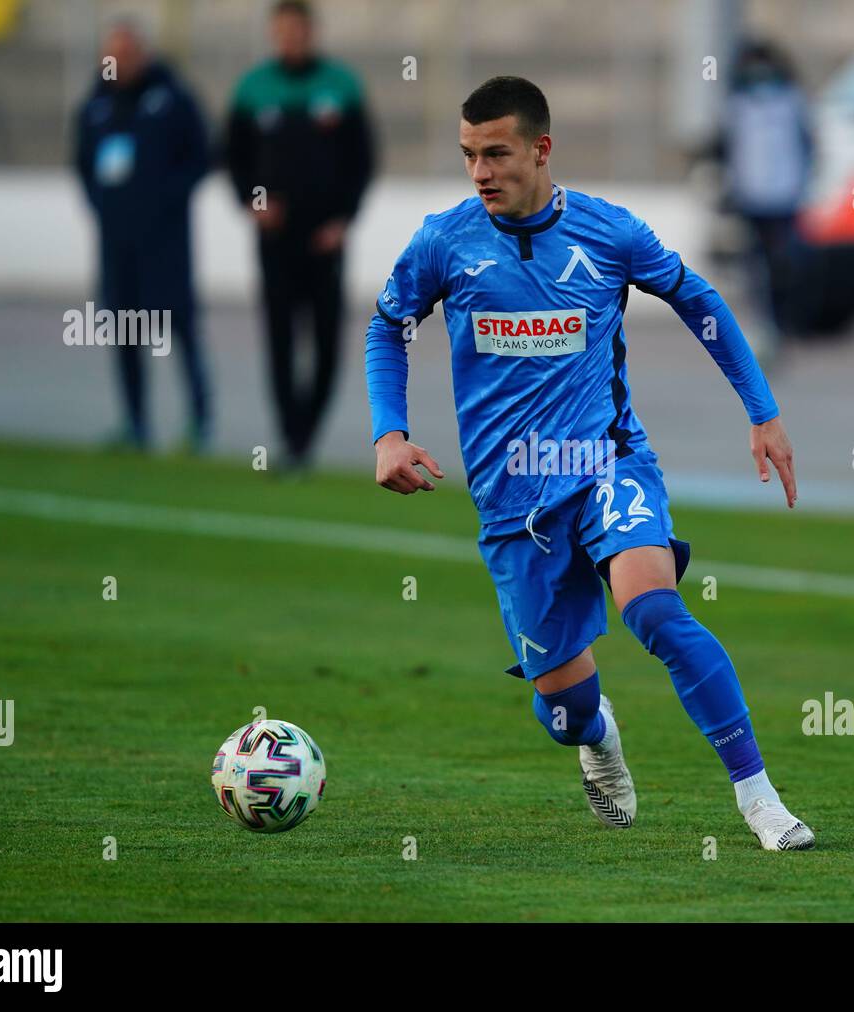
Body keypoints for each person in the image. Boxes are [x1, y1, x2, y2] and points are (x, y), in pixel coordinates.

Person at [365, 77, 813, 851]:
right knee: (563, 715)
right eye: (469, 155)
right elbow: (387, 325)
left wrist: (763, 411)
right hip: (513, 505)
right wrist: (388, 434)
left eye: (497, 153)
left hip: (607, 465)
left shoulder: (608, 232)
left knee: (657, 614)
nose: (480, 172)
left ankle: (760, 798)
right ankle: (599, 733)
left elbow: (698, 299)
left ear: (540, 150)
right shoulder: (444, 241)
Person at [225, 0, 376, 472]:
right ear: (274, 33)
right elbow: (232, 157)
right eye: (283, 30)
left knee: (329, 341)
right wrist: (253, 201)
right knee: (279, 339)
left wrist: (343, 219)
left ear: (311, 32)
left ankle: (306, 432)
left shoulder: (341, 86)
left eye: (299, 30)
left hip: (324, 239)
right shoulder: (254, 88)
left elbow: (362, 160)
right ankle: (290, 437)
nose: (291, 38)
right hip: (275, 239)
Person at [74, 18, 211, 452]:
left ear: (144, 54)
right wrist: (103, 206)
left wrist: (165, 199)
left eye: (128, 53)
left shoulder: (171, 99)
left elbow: (203, 155)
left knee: (181, 330)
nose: (119, 63)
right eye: (112, 55)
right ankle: (135, 425)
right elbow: (81, 165)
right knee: (125, 331)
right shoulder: (95, 106)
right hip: (118, 244)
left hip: (166, 243)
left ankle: (198, 423)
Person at [721, 40, 814, 362]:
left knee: (786, 263)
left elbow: (808, 146)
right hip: (751, 196)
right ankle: (763, 326)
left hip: (785, 195)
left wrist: (805, 185)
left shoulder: (792, 101)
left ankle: (784, 322)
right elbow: (729, 149)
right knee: (755, 265)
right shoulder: (737, 104)